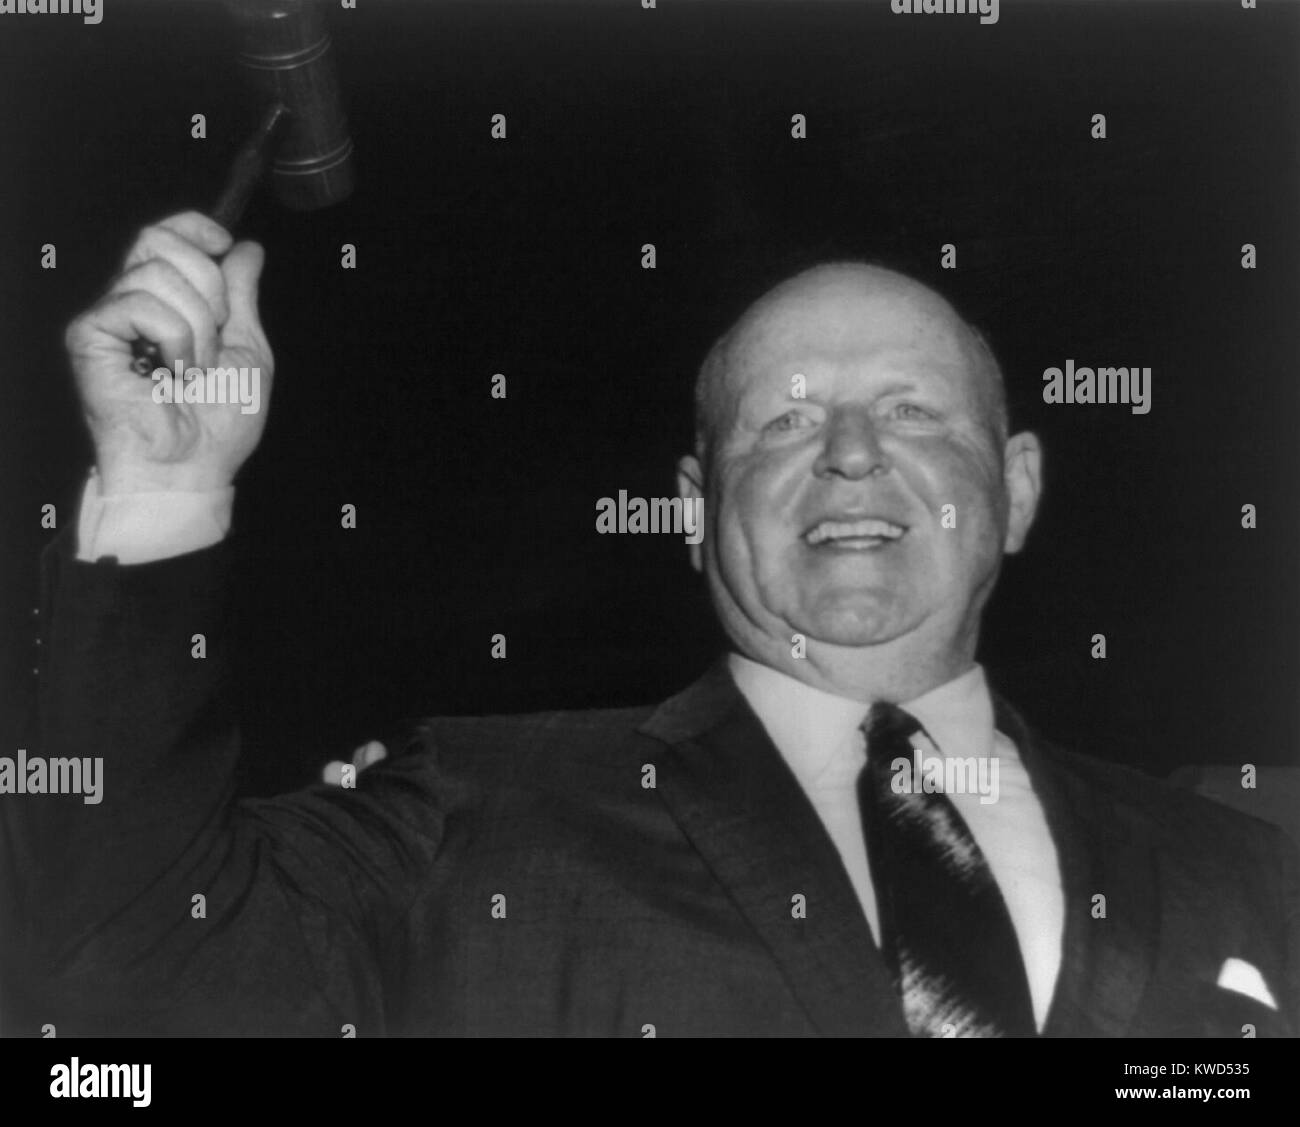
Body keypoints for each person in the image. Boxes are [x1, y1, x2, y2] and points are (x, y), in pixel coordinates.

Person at [5, 211, 1296, 1037]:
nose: (849, 455)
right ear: (692, 507)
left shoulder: (1243, 873)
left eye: (913, 412)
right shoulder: (472, 810)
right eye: (783, 420)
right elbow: (119, 967)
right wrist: (163, 488)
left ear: (1013, 489)